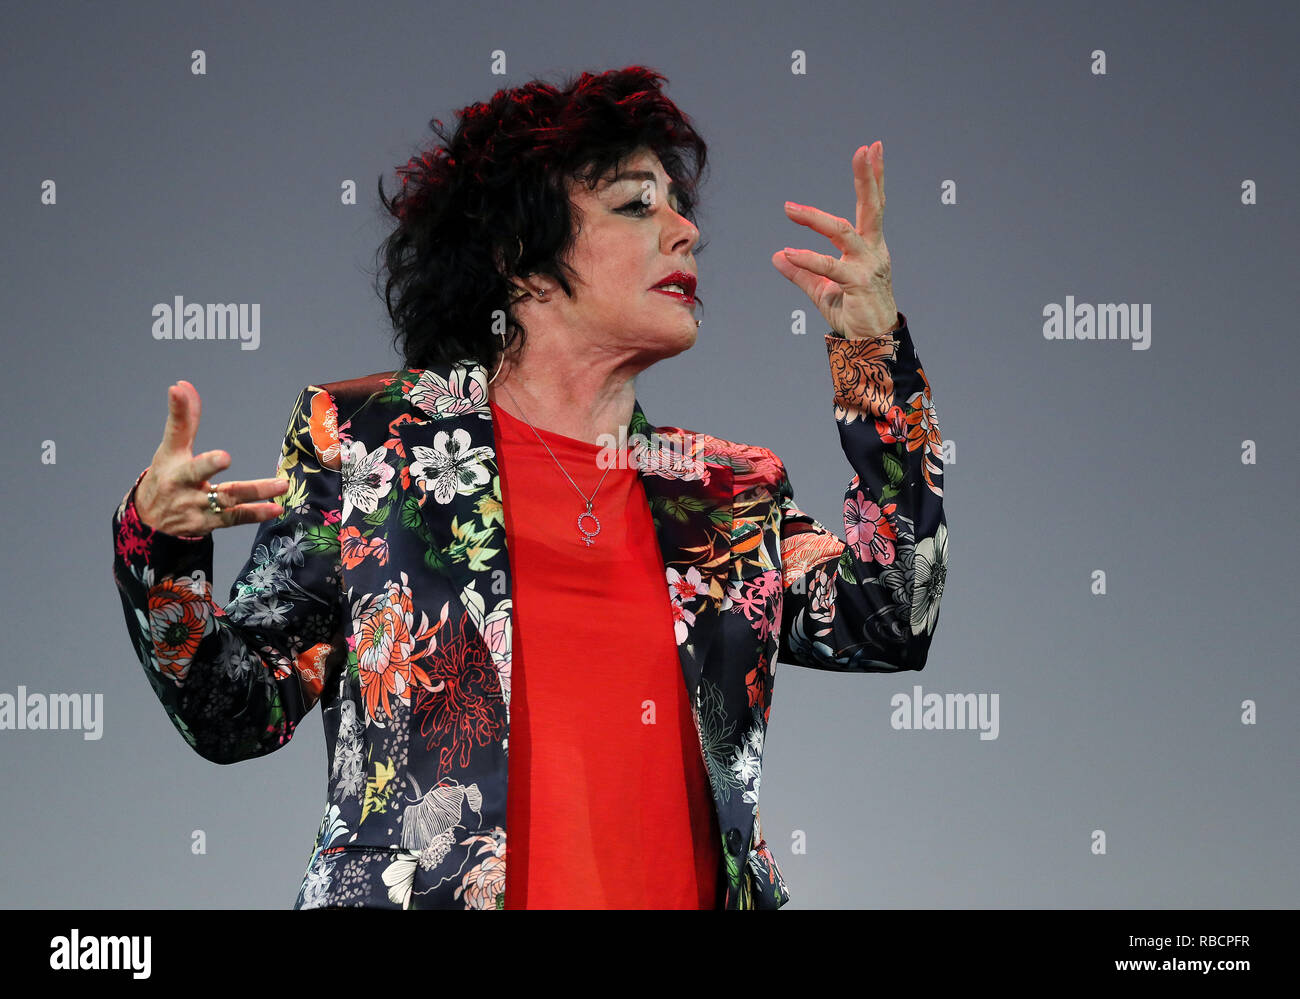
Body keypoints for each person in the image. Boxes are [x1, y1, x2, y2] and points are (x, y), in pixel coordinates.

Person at [110, 65, 948, 910]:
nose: (686, 231)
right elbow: (233, 708)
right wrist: (161, 543)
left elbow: (894, 614)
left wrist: (873, 360)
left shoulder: (729, 490)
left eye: (679, 207)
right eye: (636, 204)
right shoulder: (370, 442)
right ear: (519, 259)